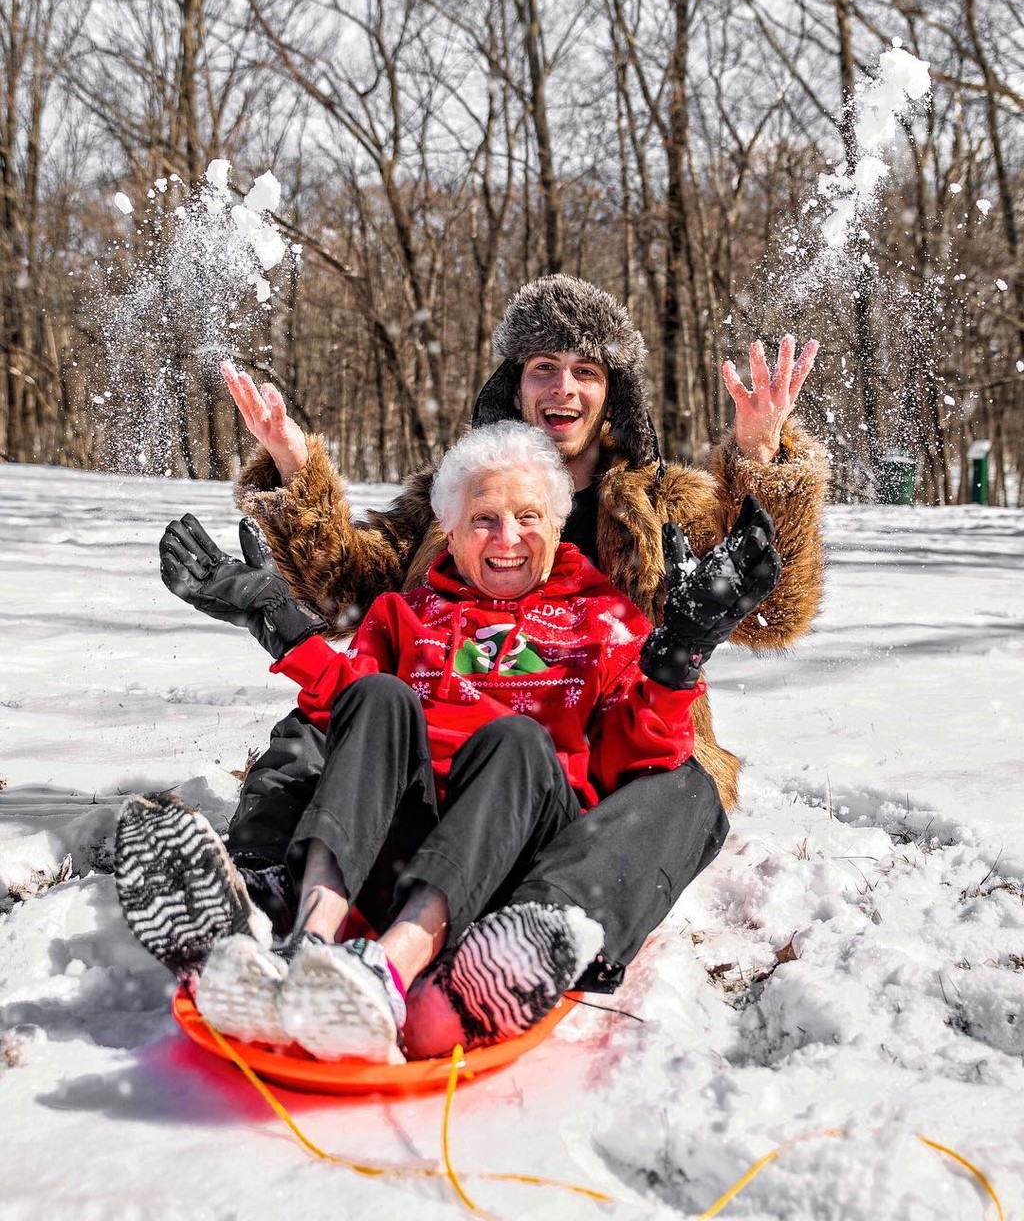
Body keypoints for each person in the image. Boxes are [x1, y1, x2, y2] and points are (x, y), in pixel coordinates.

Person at [216, 277, 829, 994]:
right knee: (327, 717)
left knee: (685, 792)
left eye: (585, 370)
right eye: (543, 367)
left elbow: (768, 611)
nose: (562, 386)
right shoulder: (462, 490)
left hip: (624, 738)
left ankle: (545, 935)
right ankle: (259, 891)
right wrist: (294, 469)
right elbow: (350, 589)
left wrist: (764, 459)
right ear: (515, 385)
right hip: (448, 730)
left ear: (612, 393)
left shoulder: (669, 501)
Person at [117, 422, 781, 1063]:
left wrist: (679, 656)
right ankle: (305, 939)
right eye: (483, 520)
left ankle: (391, 965)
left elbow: (642, 757)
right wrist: (279, 622)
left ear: (555, 523)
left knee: (516, 739)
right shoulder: (405, 615)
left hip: (519, 851)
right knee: (375, 696)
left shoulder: (604, 620)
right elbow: (342, 719)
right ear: (452, 535)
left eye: (528, 517)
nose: (508, 538)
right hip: (402, 843)